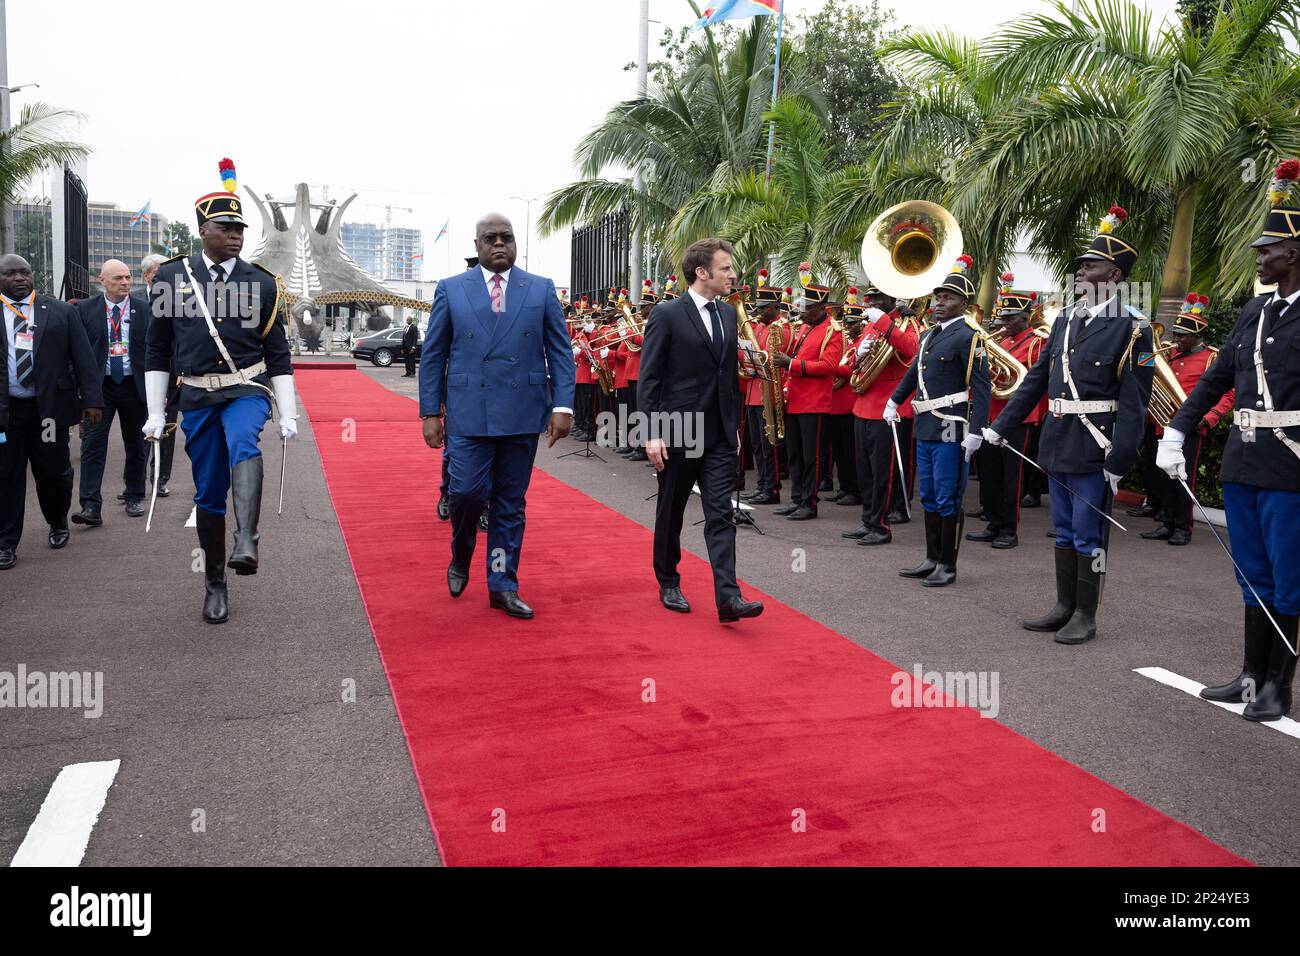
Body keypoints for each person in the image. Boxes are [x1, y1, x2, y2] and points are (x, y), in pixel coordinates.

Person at [1157, 158, 1300, 722]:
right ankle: (1248, 675)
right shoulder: (1254, 310)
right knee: (1251, 574)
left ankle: (1277, 687)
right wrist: (1175, 429)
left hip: (1291, 467)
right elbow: (1216, 381)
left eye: (1267, 251)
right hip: (1242, 463)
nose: (1259, 259)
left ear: (1293, 253)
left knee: (1288, 578)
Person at [985, 205, 1154, 644]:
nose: (1081, 270)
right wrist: (1001, 425)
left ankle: (1086, 614)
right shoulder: (1065, 320)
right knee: (1063, 527)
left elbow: (1135, 403)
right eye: (1081, 264)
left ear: (1115, 276)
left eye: (1091, 265)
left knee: (1087, 531)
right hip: (1059, 439)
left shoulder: (1134, 329)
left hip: (1095, 446)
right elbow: (1036, 380)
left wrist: (1121, 457)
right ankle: (1064, 605)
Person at [144, 159, 298, 624]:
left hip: (246, 388)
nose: (236, 234)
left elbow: (279, 353)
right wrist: (155, 412)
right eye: (225, 226)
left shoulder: (263, 282)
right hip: (195, 395)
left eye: (240, 227)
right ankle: (214, 581)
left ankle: (247, 539)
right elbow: (157, 349)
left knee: (245, 440)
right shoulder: (172, 278)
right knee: (209, 491)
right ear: (202, 229)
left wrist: (287, 412)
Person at [419, 213, 574, 620]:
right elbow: (433, 354)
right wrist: (430, 412)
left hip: (522, 413)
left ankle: (502, 583)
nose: (500, 244)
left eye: (507, 238)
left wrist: (563, 406)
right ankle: (461, 551)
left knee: (509, 504)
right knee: (466, 494)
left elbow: (559, 351)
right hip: (469, 412)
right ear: (477, 245)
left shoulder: (540, 289)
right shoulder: (452, 290)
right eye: (491, 238)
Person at [639, 237, 764, 623]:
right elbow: (650, 378)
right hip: (679, 428)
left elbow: (727, 377)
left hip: (719, 434)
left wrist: (734, 427)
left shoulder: (728, 314)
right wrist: (652, 432)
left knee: (720, 513)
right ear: (701, 272)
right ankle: (668, 579)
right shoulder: (668, 313)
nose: (733, 274)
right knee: (672, 509)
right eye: (725, 268)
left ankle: (728, 596)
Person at [888, 255, 991, 587]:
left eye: (947, 298)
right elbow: (914, 374)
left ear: (963, 303)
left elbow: (981, 388)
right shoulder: (929, 336)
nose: (939, 303)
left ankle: (948, 564)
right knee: (929, 495)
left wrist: (976, 431)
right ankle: (932, 557)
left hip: (951, 425)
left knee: (948, 496)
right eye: (937, 297)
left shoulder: (969, 336)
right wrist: (894, 401)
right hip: (927, 425)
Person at [0, 255, 103, 570]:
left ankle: (58, 521)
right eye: (11, 273)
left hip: (48, 411)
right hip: (7, 413)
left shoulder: (59, 311)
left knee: (53, 473)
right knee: (6, 476)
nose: (19, 278)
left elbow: (83, 357)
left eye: (25, 272)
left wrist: (92, 400)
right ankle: (5, 544)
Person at [1137, 294, 1233, 545]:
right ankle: (1167, 522)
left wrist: (1210, 417)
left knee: (1182, 476)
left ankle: (1183, 527)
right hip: (1164, 421)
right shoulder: (1169, 354)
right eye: (1176, 334)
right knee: (1162, 475)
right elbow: (1143, 368)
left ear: (1196, 337)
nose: (1176, 339)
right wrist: (1142, 350)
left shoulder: (1212, 357)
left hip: (1191, 425)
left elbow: (1228, 392)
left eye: (1182, 336)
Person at [966, 277, 1047, 550]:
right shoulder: (999, 341)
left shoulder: (1037, 343)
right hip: (991, 413)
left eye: (1011, 318)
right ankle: (992, 523)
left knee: (1012, 478)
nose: (1005, 323)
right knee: (989, 474)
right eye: (1003, 317)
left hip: (1017, 419)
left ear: (1026, 318)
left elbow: (1036, 379)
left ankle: (1009, 530)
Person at [73, 260, 151, 525]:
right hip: (99, 389)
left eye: (128, 277)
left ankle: (134, 495)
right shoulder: (84, 310)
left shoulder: (145, 309)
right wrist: (82, 393)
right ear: (102, 280)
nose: (125, 283)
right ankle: (91, 506)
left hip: (134, 386)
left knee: (137, 444)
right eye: (118, 278)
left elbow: (159, 349)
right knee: (93, 446)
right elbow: (76, 353)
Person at [843, 285, 920, 546]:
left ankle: (881, 525)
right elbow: (852, 363)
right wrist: (857, 354)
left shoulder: (907, 323)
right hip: (864, 403)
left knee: (882, 473)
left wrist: (885, 323)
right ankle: (868, 519)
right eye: (870, 298)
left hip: (889, 406)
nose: (872, 302)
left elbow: (910, 350)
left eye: (877, 298)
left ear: (891, 298)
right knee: (864, 469)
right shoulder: (871, 324)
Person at [769, 263, 844, 521]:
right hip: (796, 400)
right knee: (795, 454)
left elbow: (830, 366)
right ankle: (796, 498)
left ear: (821, 309)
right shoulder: (806, 327)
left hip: (815, 403)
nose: (802, 312)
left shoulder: (832, 330)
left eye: (808, 309)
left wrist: (791, 364)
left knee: (811, 457)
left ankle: (809, 503)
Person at [739, 272, 784, 504]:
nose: (758, 311)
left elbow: (771, 358)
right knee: (757, 444)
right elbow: (748, 353)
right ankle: (761, 484)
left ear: (775, 306)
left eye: (764, 307)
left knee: (769, 446)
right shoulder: (757, 328)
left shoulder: (781, 328)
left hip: (768, 393)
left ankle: (772, 488)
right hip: (753, 391)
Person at [141, 253, 177, 498]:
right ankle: (134, 481)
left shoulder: (178, 299)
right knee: (139, 429)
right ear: (146, 276)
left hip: (171, 374)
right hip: (137, 375)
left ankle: (160, 477)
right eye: (157, 275)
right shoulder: (132, 300)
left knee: (167, 428)